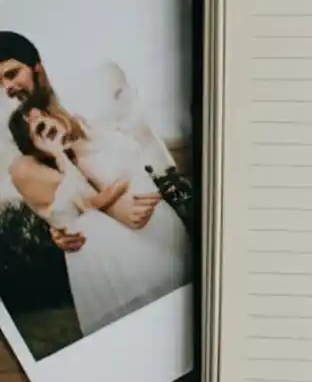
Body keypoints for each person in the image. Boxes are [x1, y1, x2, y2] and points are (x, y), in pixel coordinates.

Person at [8, 104, 188, 336]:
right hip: (93, 248)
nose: (46, 125)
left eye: (44, 117)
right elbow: (87, 202)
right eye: (38, 128)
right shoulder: (53, 167)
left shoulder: (71, 158)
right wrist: (120, 184)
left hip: (109, 233)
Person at [0, 32, 160, 252]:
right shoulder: (25, 146)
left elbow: (144, 145)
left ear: (38, 68)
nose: (7, 87)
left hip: (156, 212)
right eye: (0, 82)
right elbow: (54, 201)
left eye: (12, 73)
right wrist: (58, 228)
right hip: (112, 243)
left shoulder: (84, 106)